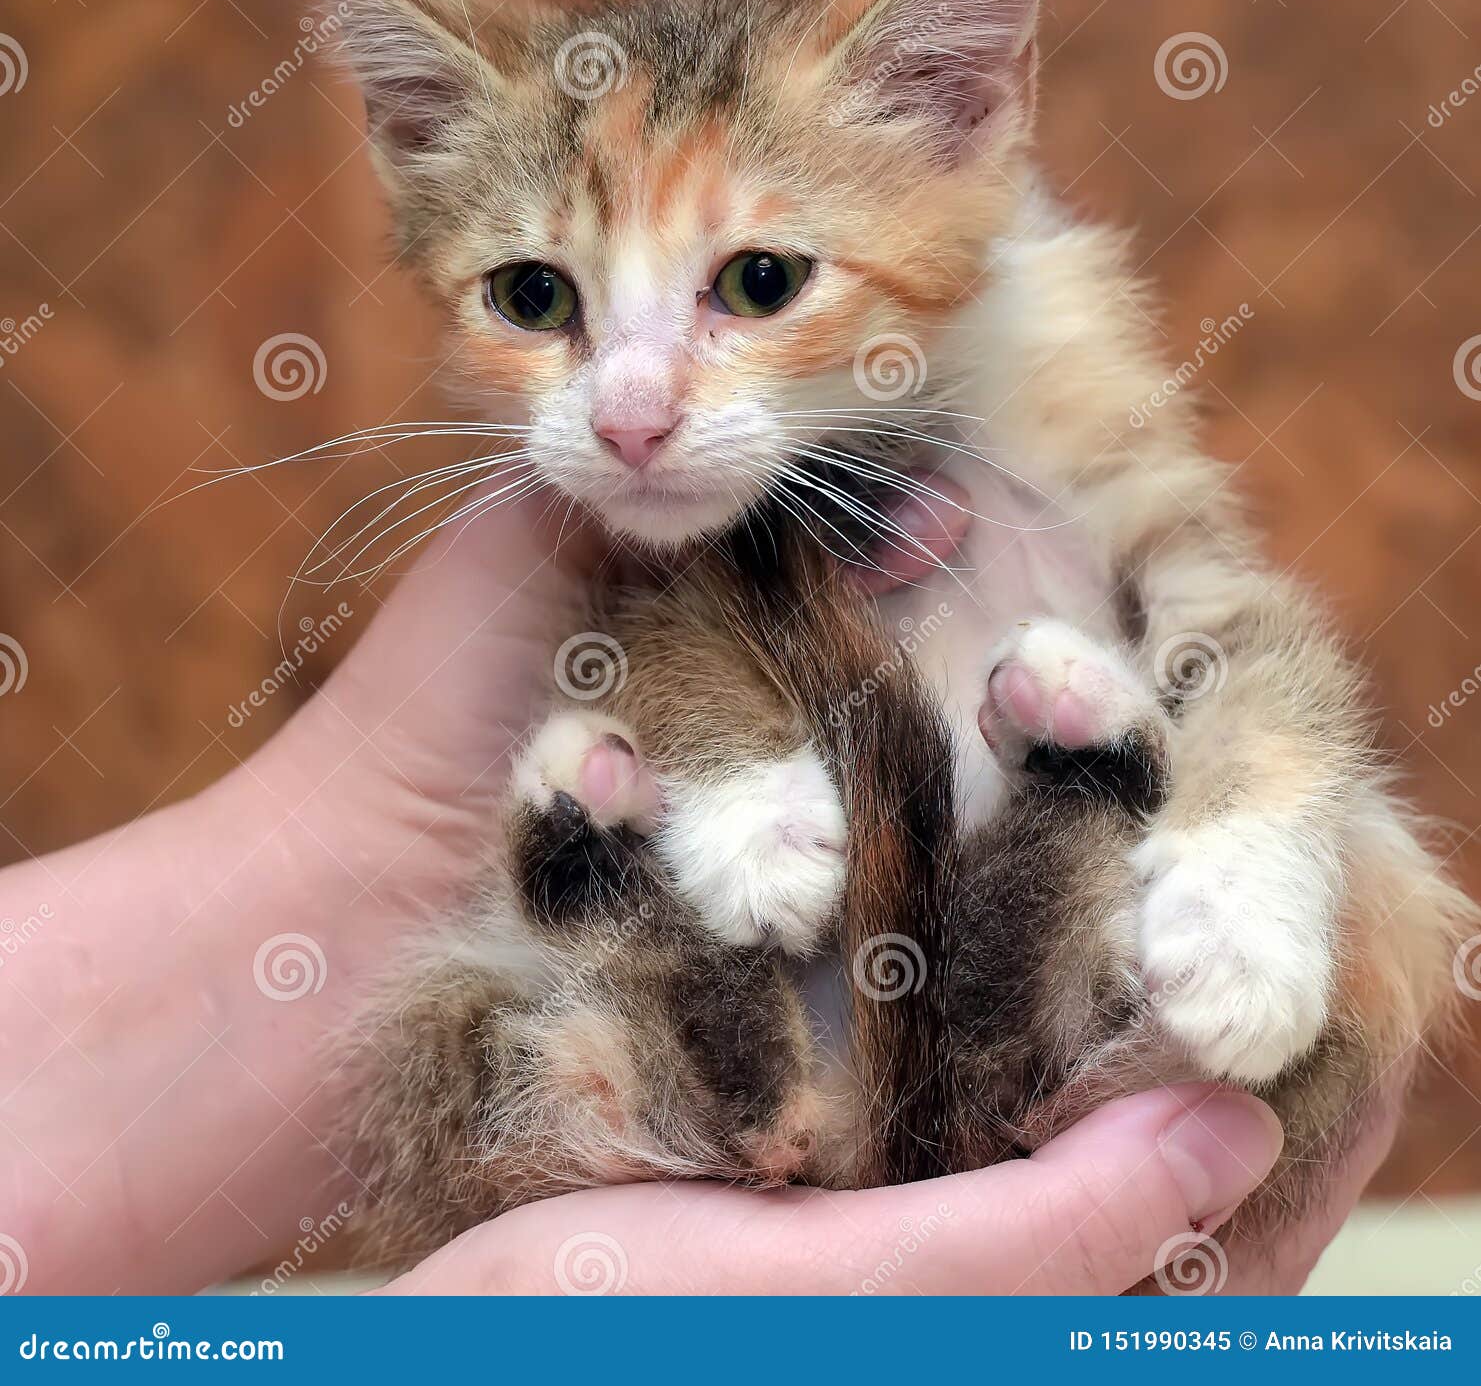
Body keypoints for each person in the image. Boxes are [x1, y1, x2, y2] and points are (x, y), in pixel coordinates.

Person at [0, 484, 1395, 1294]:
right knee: (466, 1042)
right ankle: (708, 975)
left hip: (861, 1019)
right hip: (938, 1026)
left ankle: (662, 976)